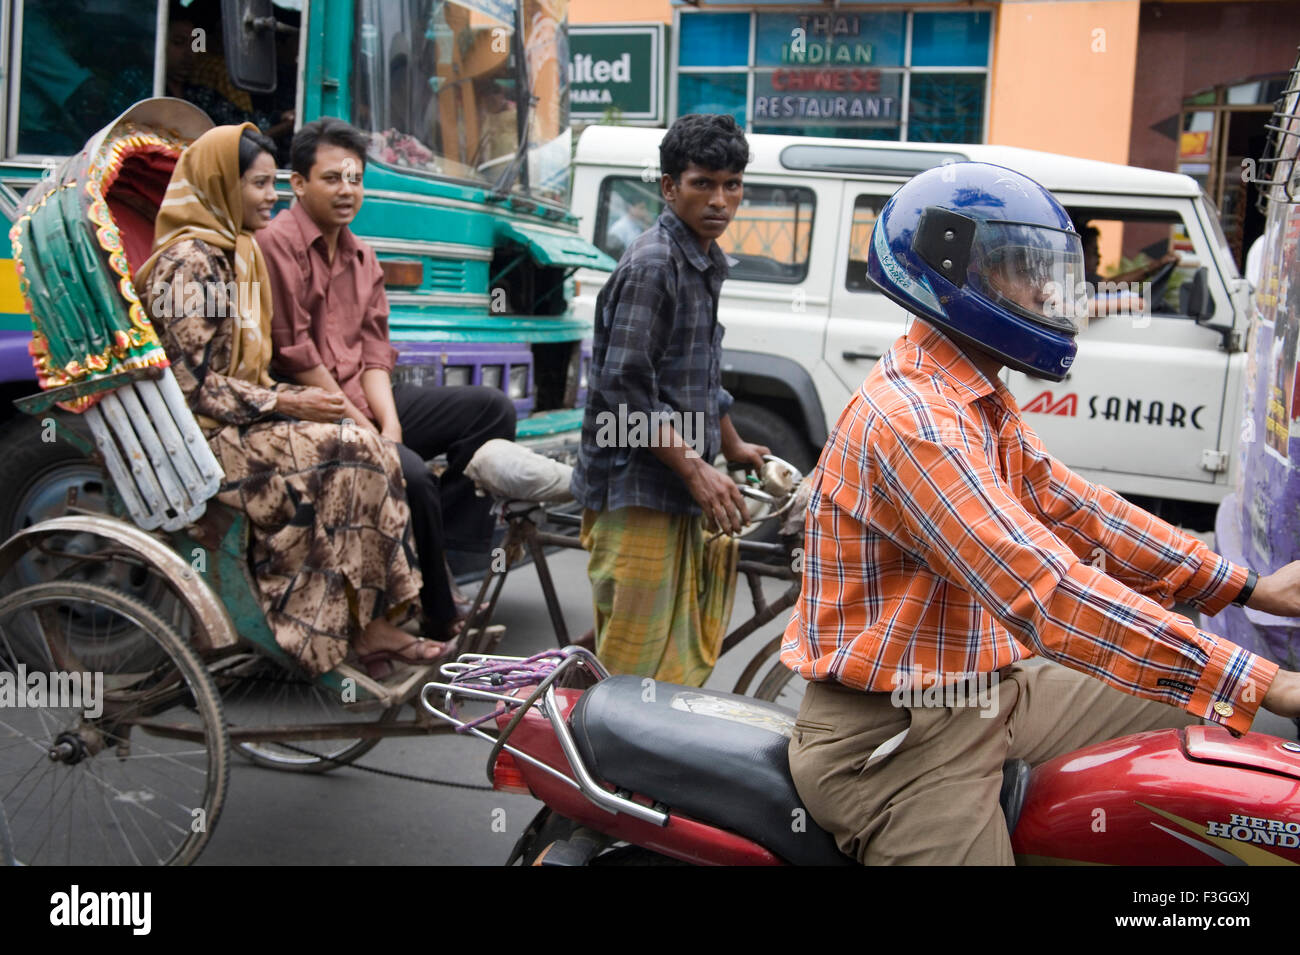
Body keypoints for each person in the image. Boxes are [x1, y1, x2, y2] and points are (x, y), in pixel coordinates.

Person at [781, 161, 1300, 865]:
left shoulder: (972, 395)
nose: (1045, 290)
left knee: (1222, 724)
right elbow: (1046, 592)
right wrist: (1262, 677)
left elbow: (1077, 507)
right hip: (897, 742)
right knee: (1235, 690)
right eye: (1022, 269)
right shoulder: (917, 421)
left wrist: (1242, 586)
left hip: (989, 689)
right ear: (954, 273)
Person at [137, 124, 446, 677]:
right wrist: (289, 404)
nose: (269, 197)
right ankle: (356, 623)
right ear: (219, 186)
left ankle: (373, 618)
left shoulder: (236, 255)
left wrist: (293, 404)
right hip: (207, 434)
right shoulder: (188, 264)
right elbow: (190, 387)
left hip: (242, 421)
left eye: (270, 184)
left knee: (366, 447)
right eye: (257, 185)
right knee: (355, 448)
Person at [261, 118, 516, 642]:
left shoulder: (362, 255)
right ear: (299, 183)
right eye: (332, 178)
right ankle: (437, 610)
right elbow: (296, 354)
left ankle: (433, 548)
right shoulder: (275, 246)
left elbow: (376, 353)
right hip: (309, 408)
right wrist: (368, 429)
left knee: (492, 409)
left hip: (364, 400)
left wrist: (391, 422)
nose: (347, 190)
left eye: (355, 179)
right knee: (415, 473)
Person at [570, 113, 769, 687]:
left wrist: (730, 444)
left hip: (672, 480)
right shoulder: (655, 264)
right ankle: (594, 767)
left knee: (641, 659)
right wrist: (695, 470)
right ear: (668, 186)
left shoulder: (704, 262)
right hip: (636, 487)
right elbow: (622, 391)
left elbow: (699, 372)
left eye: (732, 184)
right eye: (702, 182)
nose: (720, 200)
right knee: (632, 675)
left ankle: (619, 756)